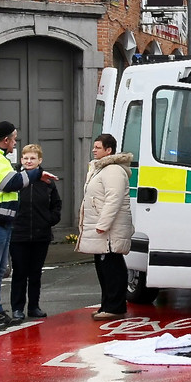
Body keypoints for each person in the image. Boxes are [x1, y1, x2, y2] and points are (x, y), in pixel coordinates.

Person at [0, 121, 53, 332]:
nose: (15, 142)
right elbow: (10, 183)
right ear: (5, 140)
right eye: (14, 138)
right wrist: (35, 174)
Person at [77, 133, 133, 320]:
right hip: (102, 229)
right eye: (93, 147)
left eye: (98, 147)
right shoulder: (100, 169)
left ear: (109, 150)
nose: (94, 150)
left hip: (108, 230)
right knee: (104, 268)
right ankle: (107, 305)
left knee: (112, 267)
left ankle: (115, 307)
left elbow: (113, 199)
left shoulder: (113, 171)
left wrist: (103, 224)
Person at [8, 143, 62, 321]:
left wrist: (50, 219)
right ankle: (17, 308)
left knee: (35, 273)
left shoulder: (46, 182)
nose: (28, 161)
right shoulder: (16, 179)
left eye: (32, 158)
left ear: (40, 160)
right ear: (21, 159)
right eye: (25, 158)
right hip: (18, 234)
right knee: (19, 273)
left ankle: (34, 306)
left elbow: (56, 204)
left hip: (41, 234)